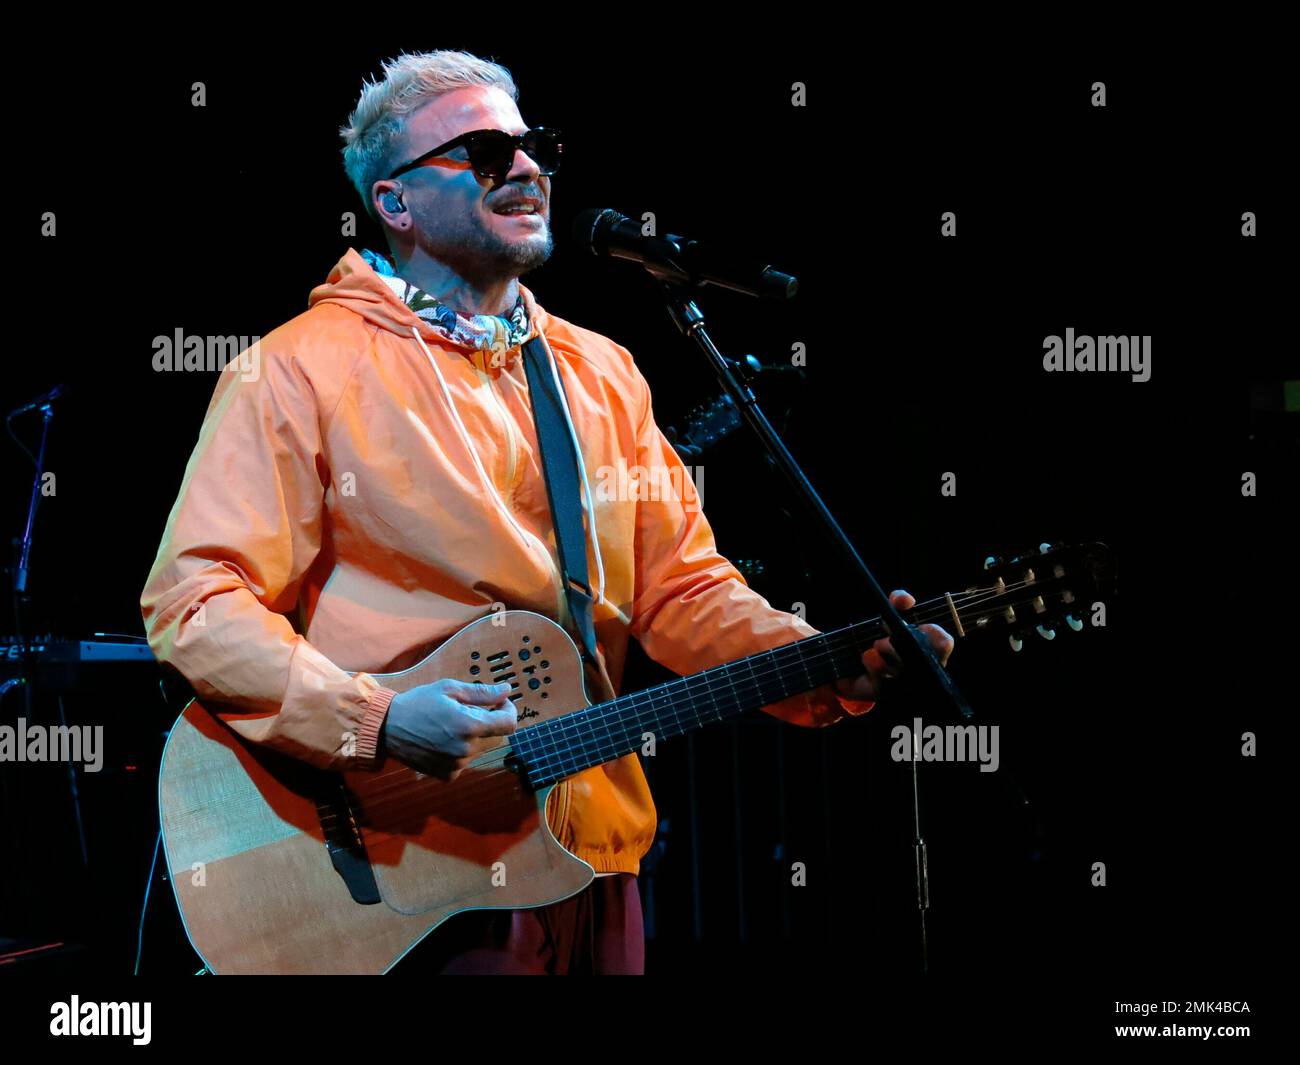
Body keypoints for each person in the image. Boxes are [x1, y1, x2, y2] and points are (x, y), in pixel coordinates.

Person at [140, 49, 953, 975]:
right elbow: (195, 603)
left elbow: (680, 590)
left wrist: (833, 663)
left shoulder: (600, 371)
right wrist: (374, 718)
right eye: (484, 153)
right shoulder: (294, 370)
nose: (526, 169)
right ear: (395, 205)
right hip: (415, 868)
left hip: (591, 844)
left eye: (534, 147)